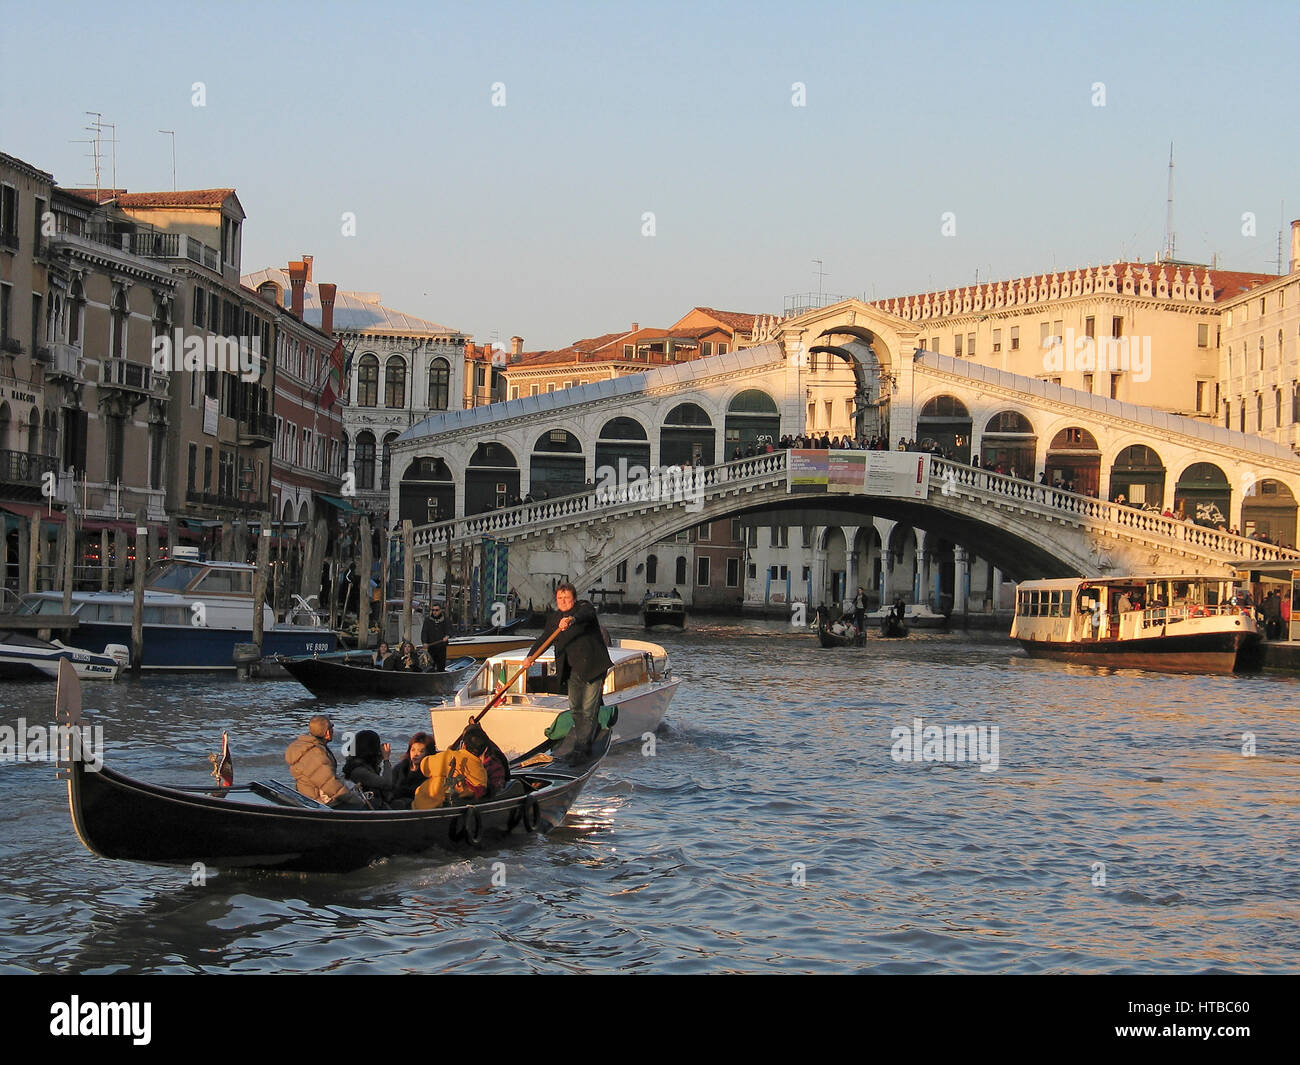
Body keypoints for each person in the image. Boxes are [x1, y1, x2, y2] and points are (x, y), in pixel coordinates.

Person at [524, 582, 612, 765]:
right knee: (576, 709)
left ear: (574, 598)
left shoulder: (584, 608)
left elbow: (584, 615)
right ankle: (584, 738)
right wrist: (530, 657)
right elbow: (544, 639)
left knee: (588, 709)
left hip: (593, 668)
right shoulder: (555, 618)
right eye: (560, 598)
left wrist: (571, 620)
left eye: (567, 598)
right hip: (572, 671)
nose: (563, 601)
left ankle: (582, 748)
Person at [284, 715, 364, 807]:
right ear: (327, 733)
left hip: (307, 796)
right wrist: (355, 800)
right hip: (318, 802)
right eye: (331, 728)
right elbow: (330, 785)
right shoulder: (315, 754)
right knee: (359, 806)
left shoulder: (307, 747)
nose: (333, 731)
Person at [342, 729, 394, 808]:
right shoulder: (359, 771)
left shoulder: (358, 764)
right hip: (368, 806)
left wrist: (379, 760)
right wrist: (386, 760)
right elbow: (387, 783)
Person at [391, 732, 433, 807]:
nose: (415, 754)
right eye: (413, 750)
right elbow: (391, 787)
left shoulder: (430, 772)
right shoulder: (400, 768)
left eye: (421, 751)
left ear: (428, 753)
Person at [421, 603, 450, 672]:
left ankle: (440, 677)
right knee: (430, 666)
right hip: (431, 647)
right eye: (433, 610)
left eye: (436, 610)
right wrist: (424, 642)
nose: (435, 612)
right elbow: (424, 632)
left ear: (440, 610)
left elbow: (450, 630)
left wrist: (447, 636)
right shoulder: (427, 620)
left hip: (441, 647)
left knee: (441, 666)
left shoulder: (446, 620)